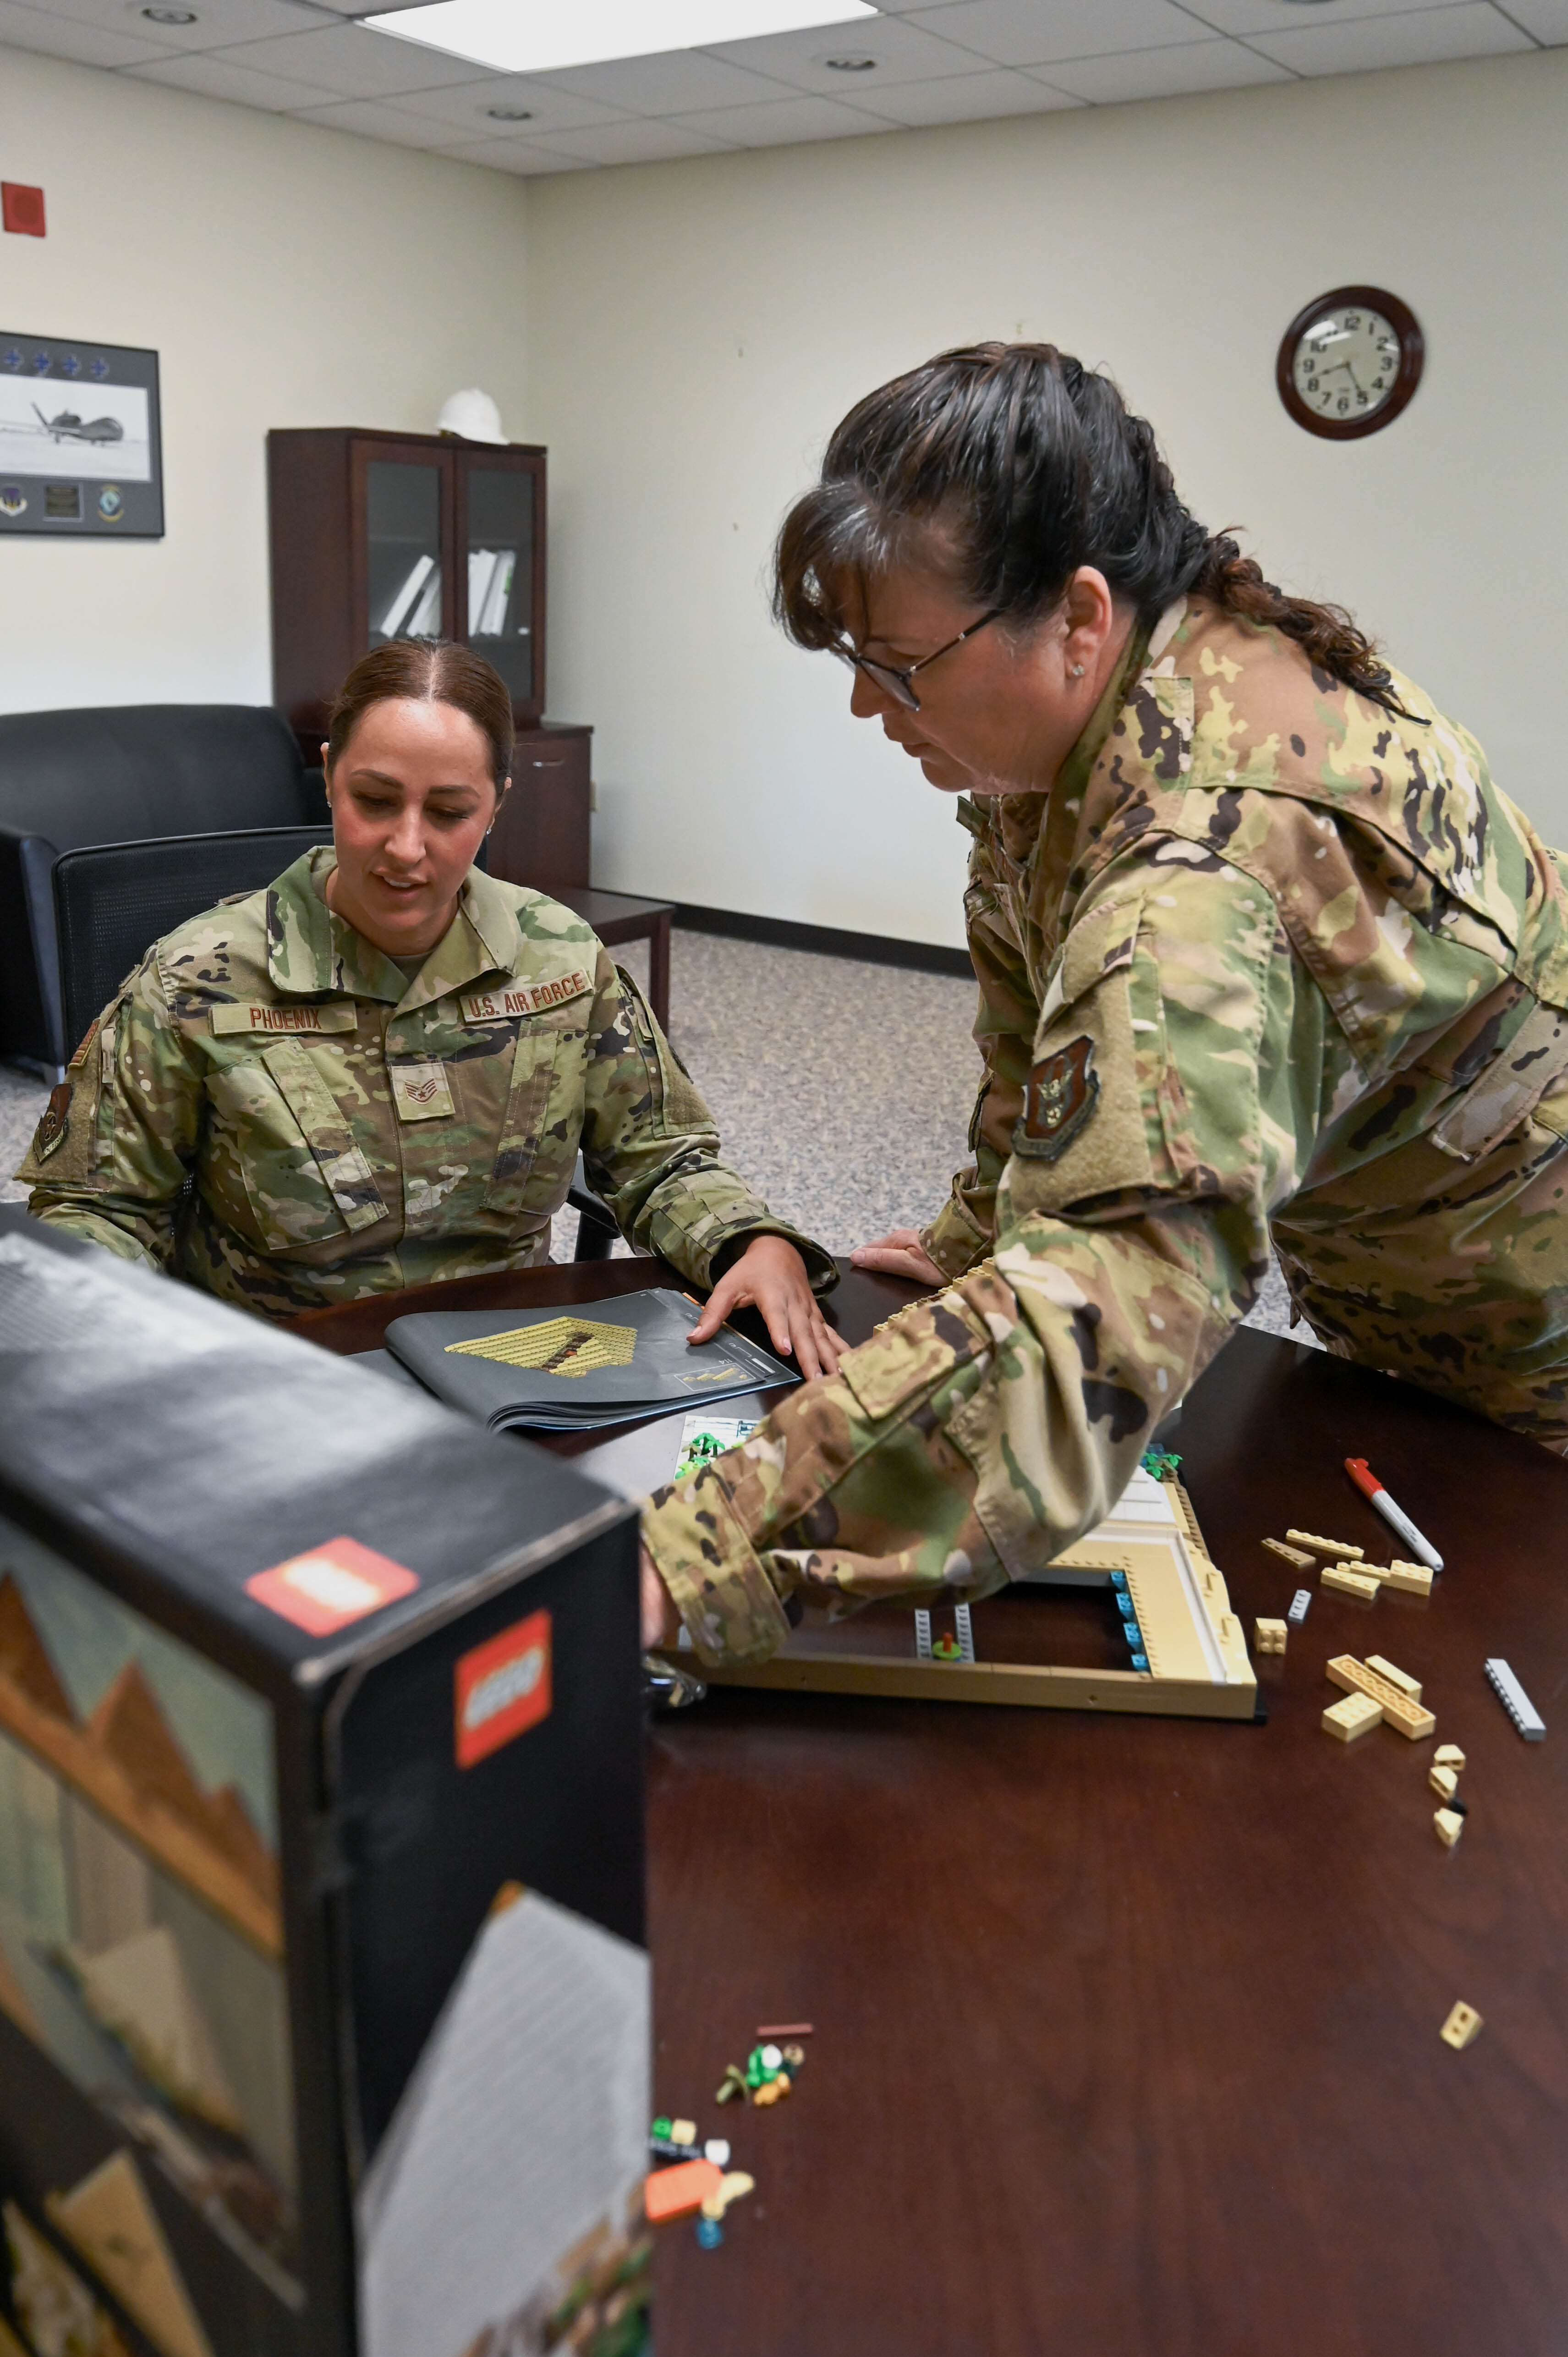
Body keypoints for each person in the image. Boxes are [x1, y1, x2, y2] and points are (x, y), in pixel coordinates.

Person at [638, 339, 1568, 1665]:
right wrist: (974, 1237)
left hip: (1522, 1354)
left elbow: (1110, 1301)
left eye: (898, 663)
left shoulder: (1210, 851)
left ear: (1075, 617)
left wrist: (687, 1560)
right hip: (1389, 1272)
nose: (863, 704)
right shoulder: (1085, 726)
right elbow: (1049, 1053)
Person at [17, 640, 840, 1370]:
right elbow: (101, 1210)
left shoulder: (557, 958)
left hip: (518, 1366)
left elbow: (659, 1155)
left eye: (449, 813)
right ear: (331, 776)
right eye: (374, 800)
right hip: (282, 1376)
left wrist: (749, 1238)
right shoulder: (199, 980)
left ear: (496, 806)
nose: (406, 848)